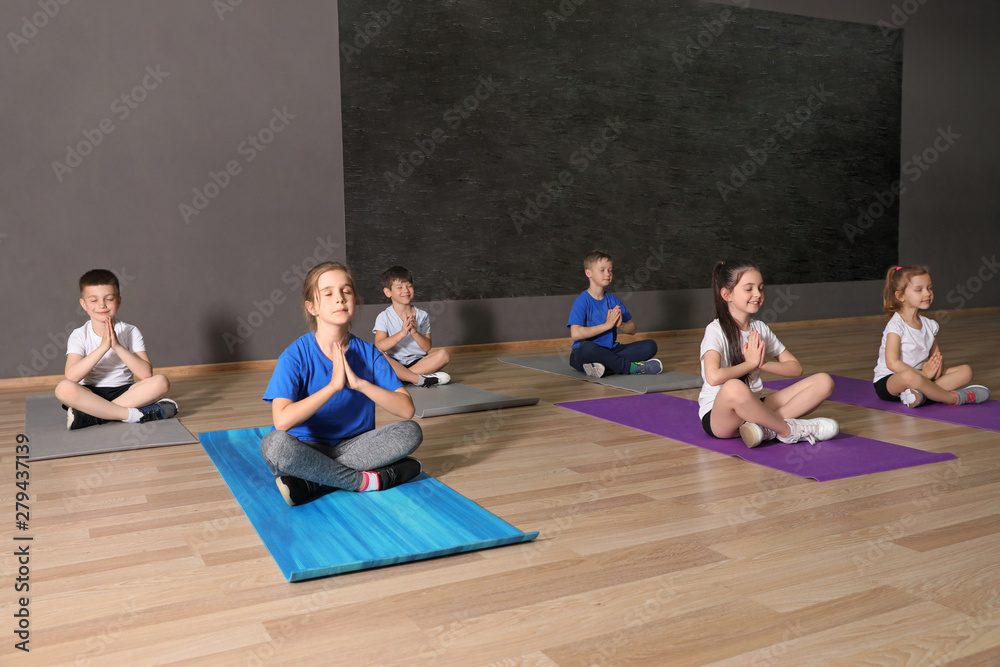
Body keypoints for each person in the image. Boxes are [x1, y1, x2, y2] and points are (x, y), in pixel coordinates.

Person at [260, 261, 423, 506]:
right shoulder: (294, 355)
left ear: (354, 301)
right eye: (328, 293)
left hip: (357, 446)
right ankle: (363, 482)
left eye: (346, 291)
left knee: (411, 432)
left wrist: (359, 384)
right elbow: (282, 421)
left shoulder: (370, 353)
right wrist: (333, 387)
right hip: (305, 449)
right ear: (312, 307)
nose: (340, 298)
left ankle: (312, 481)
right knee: (275, 445)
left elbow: (406, 409)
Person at [698, 260, 839, 448]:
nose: (757, 294)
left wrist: (761, 363)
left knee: (824, 381)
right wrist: (749, 363)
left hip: (754, 406)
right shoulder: (715, 330)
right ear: (727, 294)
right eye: (749, 289)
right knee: (733, 387)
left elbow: (795, 368)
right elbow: (713, 377)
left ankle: (764, 429)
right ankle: (788, 431)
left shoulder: (760, 328)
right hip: (721, 417)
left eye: (761, 288)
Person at [54, 269, 177, 430]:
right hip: (90, 394)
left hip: (125, 392)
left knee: (161, 382)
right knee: (63, 389)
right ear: (83, 304)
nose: (101, 305)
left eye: (109, 299)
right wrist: (102, 348)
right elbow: (72, 376)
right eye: (93, 300)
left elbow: (146, 374)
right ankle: (133, 415)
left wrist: (117, 346)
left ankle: (91, 415)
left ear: (118, 301)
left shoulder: (130, 331)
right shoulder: (79, 335)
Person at [873, 265, 989, 407]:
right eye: (919, 290)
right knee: (911, 377)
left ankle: (918, 396)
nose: (927, 294)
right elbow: (892, 363)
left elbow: (936, 358)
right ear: (901, 296)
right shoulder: (895, 326)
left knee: (966, 371)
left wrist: (935, 371)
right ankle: (952, 398)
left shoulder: (930, 325)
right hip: (891, 381)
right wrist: (923, 375)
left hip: (922, 377)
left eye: (929, 288)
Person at [567, 250, 661, 377]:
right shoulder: (582, 301)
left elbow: (632, 329)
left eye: (610, 270)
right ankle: (631, 368)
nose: (608, 274)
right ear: (588, 273)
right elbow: (576, 334)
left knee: (650, 346)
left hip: (611, 350)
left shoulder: (613, 300)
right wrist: (607, 325)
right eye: (602, 270)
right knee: (586, 348)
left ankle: (604, 367)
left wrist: (619, 324)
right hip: (585, 353)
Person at [372, 265, 451, 387]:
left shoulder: (422, 315)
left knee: (444, 355)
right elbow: (379, 346)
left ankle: (403, 378)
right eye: (400, 287)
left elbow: (426, 347)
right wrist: (403, 333)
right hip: (395, 363)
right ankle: (419, 378)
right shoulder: (383, 317)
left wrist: (414, 332)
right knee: (377, 355)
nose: (406, 291)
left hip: (419, 362)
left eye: (409, 286)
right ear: (388, 292)